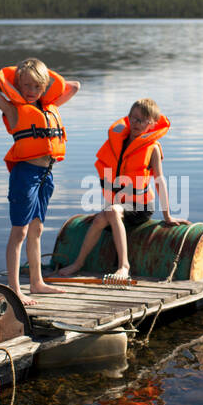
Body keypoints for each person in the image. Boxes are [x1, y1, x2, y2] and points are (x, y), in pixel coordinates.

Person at [0, 58, 80, 305]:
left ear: (44, 87)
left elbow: (74, 86)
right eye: (25, 85)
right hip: (25, 174)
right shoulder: (14, 110)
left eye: (37, 86)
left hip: (46, 174)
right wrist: (13, 86)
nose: (30, 91)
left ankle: (37, 283)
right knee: (20, 231)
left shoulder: (48, 106)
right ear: (18, 85)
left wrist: (44, 78)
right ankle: (15, 288)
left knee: (36, 230)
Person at [57, 98, 188, 280]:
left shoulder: (152, 149)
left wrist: (167, 216)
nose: (135, 123)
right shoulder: (118, 142)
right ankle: (79, 262)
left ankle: (124, 265)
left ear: (151, 124)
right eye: (132, 118)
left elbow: (160, 181)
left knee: (111, 211)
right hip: (118, 206)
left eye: (141, 120)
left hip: (141, 208)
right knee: (99, 220)